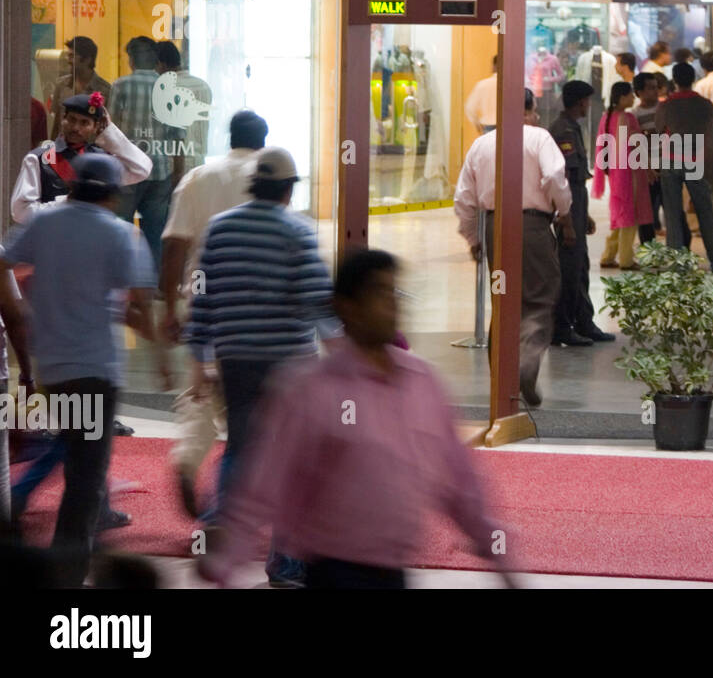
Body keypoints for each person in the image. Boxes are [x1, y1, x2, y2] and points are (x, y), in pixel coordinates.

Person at [197, 249, 516, 589]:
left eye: (395, 292)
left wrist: (498, 553)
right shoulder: (310, 388)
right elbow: (264, 484)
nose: (393, 304)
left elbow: (459, 479)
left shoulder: (422, 381)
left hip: (395, 573)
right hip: (334, 573)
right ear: (346, 306)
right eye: (379, 292)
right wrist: (225, 561)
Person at [0, 154, 158, 586]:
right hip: (95, 370)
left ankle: (50, 523)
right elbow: (140, 304)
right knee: (85, 475)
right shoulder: (121, 234)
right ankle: (67, 573)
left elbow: (5, 261)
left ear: (74, 188)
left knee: (74, 452)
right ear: (111, 194)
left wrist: (27, 312)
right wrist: (162, 357)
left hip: (53, 367)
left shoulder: (44, 224)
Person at [185, 146, 334, 587]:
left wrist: (199, 360)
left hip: (235, 358)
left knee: (240, 447)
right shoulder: (297, 230)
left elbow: (203, 298)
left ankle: (223, 522)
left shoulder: (219, 229)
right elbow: (316, 298)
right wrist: (345, 351)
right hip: (290, 363)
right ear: (288, 190)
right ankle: (285, 564)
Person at [159, 110, 269, 518]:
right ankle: (232, 506)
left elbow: (174, 244)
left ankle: (187, 460)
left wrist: (170, 307)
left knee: (201, 394)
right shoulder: (269, 177)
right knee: (250, 412)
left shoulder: (199, 178)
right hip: (256, 311)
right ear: (263, 140)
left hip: (202, 302)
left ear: (230, 138)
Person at [455, 90, 573, 405]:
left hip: (495, 228)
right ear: (529, 110)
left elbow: (463, 198)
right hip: (533, 226)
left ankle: (502, 381)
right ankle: (526, 367)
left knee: (504, 303)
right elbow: (554, 175)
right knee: (537, 299)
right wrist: (564, 213)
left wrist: (474, 238)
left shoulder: (481, 144)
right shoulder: (538, 138)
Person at [11, 92, 152, 225]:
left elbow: (142, 169)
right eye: (72, 120)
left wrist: (110, 133)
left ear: (96, 127)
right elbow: (20, 211)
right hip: (53, 240)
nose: (76, 128)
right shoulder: (40, 158)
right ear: (63, 119)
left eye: (85, 123)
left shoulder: (101, 161)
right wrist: (65, 203)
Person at [547, 80, 614, 346]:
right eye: (586, 101)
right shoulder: (563, 131)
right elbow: (564, 179)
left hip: (576, 206)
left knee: (580, 266)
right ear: (579, 102)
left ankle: (584, 321)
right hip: (568, 209)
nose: (589, 105)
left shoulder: (572, 127)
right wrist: (569, 222)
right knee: (569, 269)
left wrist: (582, 215)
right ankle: (562, 327)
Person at [110, 35, 181, 273]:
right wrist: (177, 175)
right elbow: (177, 136)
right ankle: (151, 289)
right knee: (155, 233)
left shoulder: (121, 85)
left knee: (122, 230)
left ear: (131, 59)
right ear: (154, 59)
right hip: (161, 172)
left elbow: (110, 131)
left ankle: (126, 285)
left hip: (128, 171)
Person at [656, 62, 713, 272]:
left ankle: (677, 263)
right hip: (697, 160)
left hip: (671, 160)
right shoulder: (704, 105)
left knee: (673, 213)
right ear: (693, 78)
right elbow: (711, 137)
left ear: (675, 80)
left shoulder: (666, 105)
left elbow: (660, 132)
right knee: (705, 211)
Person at [594, 82, 653, 270]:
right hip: (630, 173)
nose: (633, 98)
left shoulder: (606, 117)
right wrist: (648, 168)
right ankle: (626, 260)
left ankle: (608, 256)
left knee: (619, 214)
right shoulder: (627, 118)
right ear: (621, 97)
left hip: (615, 172)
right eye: (630, 95)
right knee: (630, 215)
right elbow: (637, 147)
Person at [154, 40, 213, 176]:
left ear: (161, 64)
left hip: (173, 167)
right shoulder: (203, 86)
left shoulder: (166, 89)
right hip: (199, 164)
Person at [48, 36, 112, 139]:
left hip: (91, 151)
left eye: (72, 56)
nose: (68, 60)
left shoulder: (105, 90)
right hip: (64, 149)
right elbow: (56, 123)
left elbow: (108, 128)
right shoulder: (62, 85)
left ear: (87, 59)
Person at [632, 72, 666, 242]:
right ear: (639, 92)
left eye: (656, 87)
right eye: (650, 88)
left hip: (667, 165)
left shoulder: (665, 108)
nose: (655, 91)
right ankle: (649, 249)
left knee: (672, 209)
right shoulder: (634, 115)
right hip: (648, 169)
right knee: (647, 210)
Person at [465, 55, 499, 134]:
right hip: (506, 128)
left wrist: (477, 123)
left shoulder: (482, 85)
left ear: (494, 66)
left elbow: (469, 108)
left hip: (487, 128)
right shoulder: (510, 85)